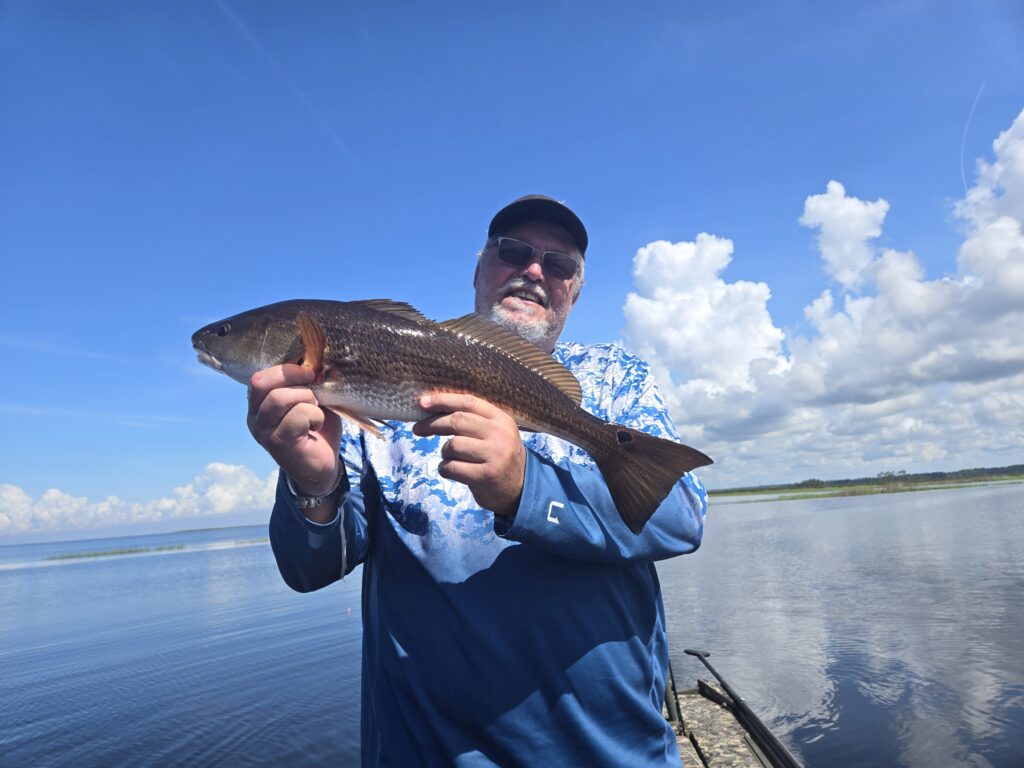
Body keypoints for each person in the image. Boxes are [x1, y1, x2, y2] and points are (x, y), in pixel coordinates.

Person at [247, 195, 709, 766]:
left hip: (608, 752)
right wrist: (313, 485)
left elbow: (679, 519)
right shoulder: (362, 412)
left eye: (558, 264)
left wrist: (526, 490)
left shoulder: (617, 377)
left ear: (576, 290)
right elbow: (310, 569)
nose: (533, 271)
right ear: (478, 269)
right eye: (513, 252)